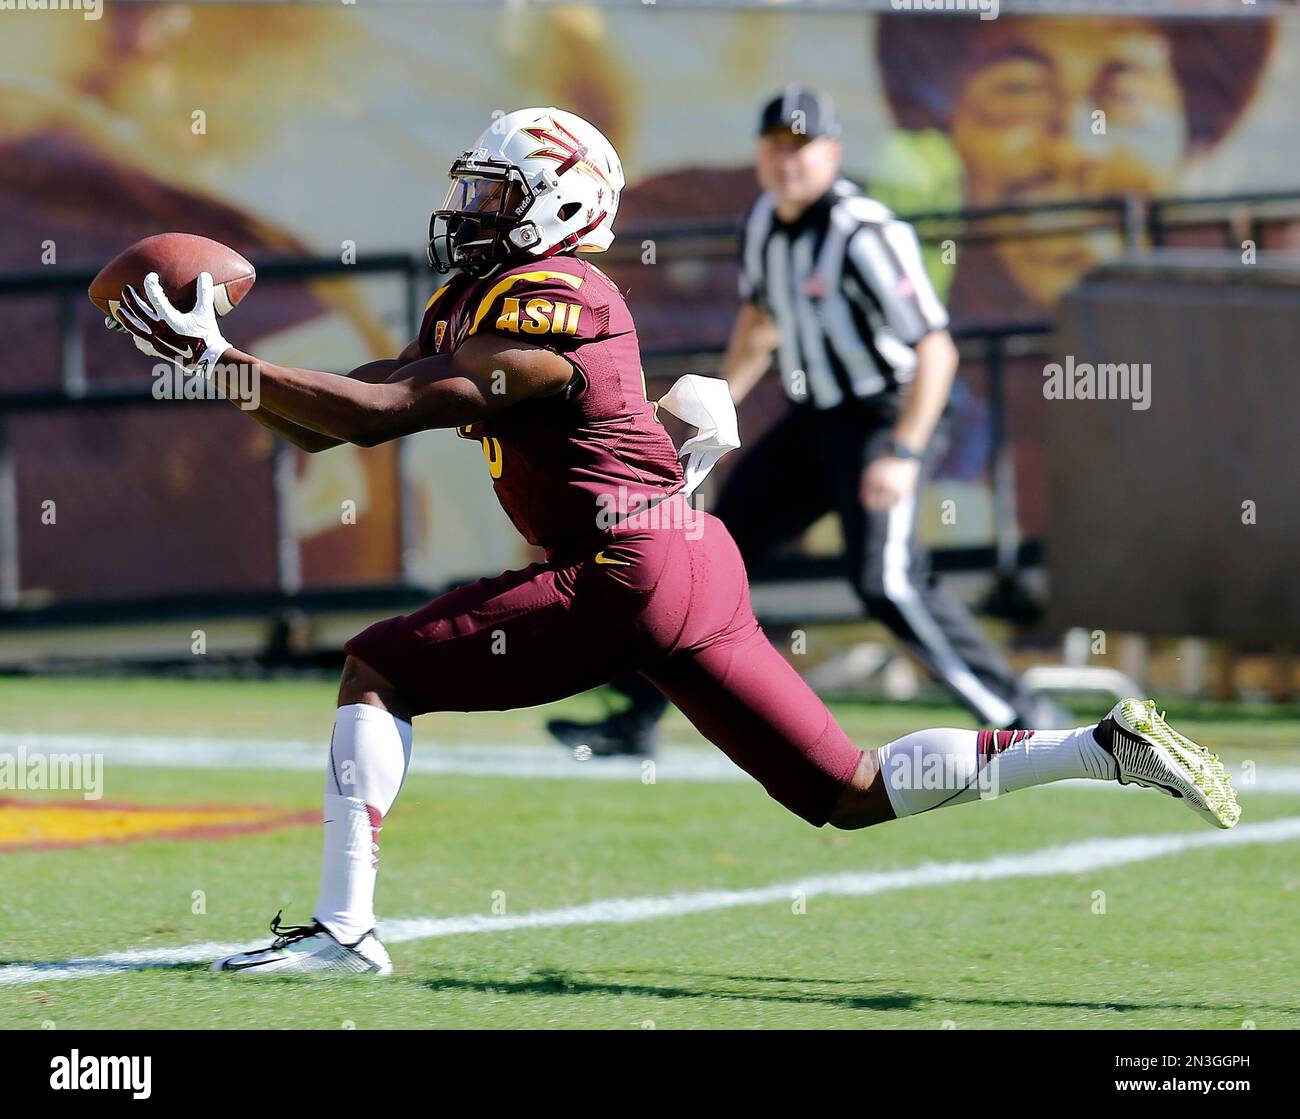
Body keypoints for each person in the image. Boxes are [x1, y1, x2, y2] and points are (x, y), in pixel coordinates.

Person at [108, 107, 1239, 976]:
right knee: (844, 789)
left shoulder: (559, 296)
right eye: (476, 186)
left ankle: (343, 930)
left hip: (626, 571)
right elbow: (334, 419)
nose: (472, 206)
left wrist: (217, 361)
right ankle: (1097, 748)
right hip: (689, 558)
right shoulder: (481, 298)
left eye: (497, 190)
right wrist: (219, 366)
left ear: (554, 206)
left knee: (377, 668)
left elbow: (381, 415)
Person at [550, 87, 1050, 761]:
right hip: (814, 418)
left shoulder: (864, 232)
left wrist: (902, 451)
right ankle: (637, 718)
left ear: (832, 153)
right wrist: (718, 406)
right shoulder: (762, 224)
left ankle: (1020, 716)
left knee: (887, 581)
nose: (789, 162)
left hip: (886, 414)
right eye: (777, 147)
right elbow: (761, 324)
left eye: (802, 147)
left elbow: (936, 350)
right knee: (706, 552)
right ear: (761, 154)